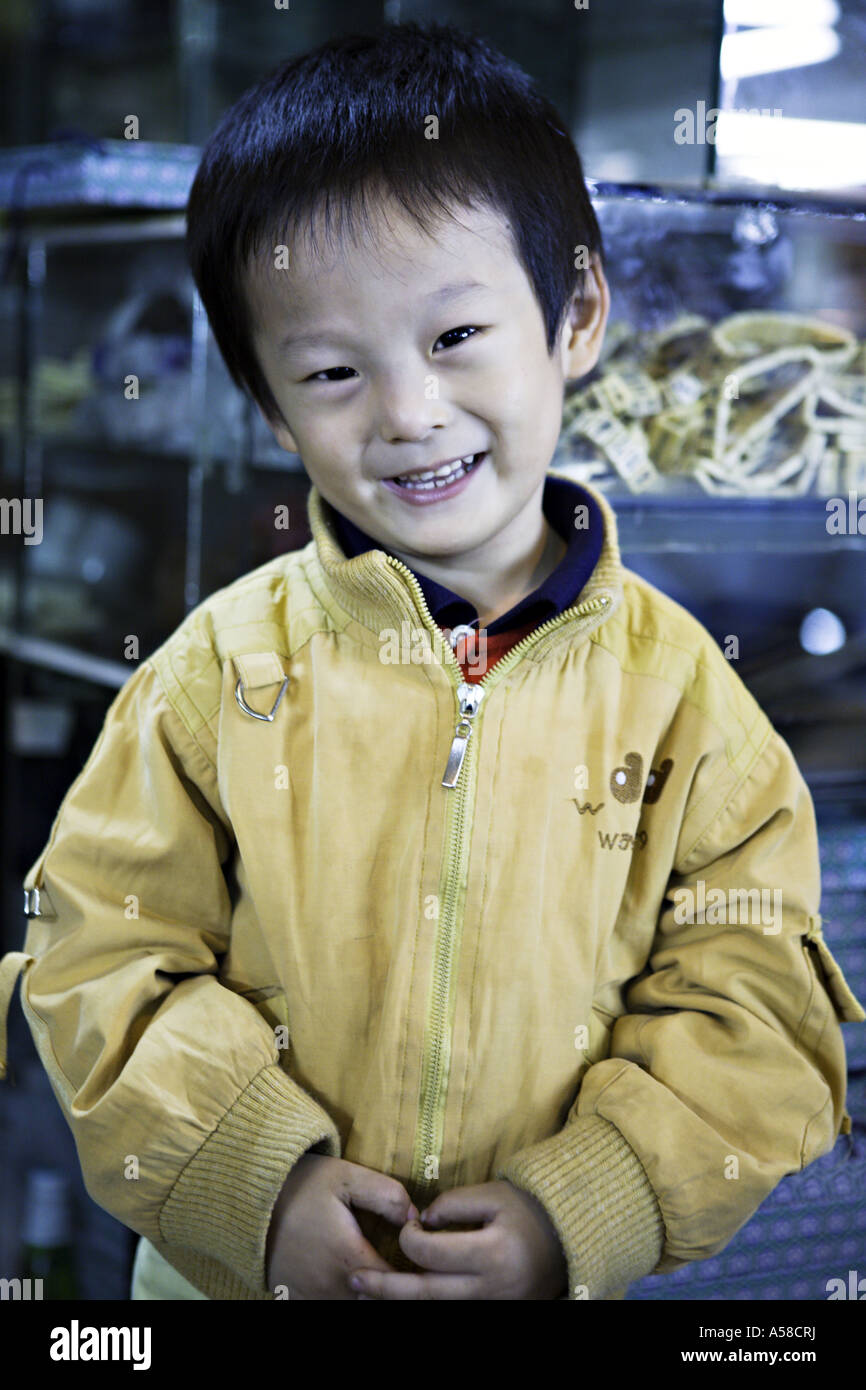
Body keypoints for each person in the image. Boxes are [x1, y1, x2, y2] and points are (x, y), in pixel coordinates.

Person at [1, 21, 863, 1303]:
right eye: (334, 370)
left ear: (573, 314)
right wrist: (255, 1181)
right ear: (267, 402)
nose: (408, 412)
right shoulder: (209, 678)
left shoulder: (686, 701)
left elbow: (749, 1005)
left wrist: (586, 1205)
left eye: (456, 337)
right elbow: (97, 956)